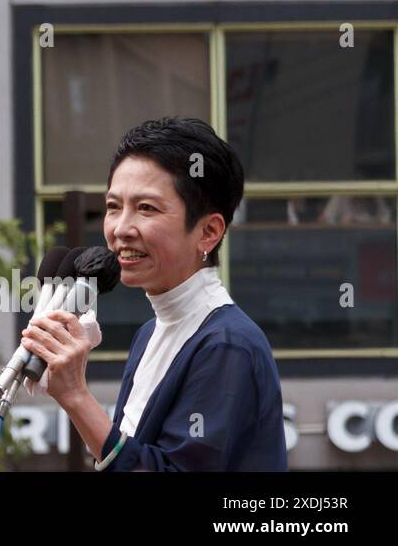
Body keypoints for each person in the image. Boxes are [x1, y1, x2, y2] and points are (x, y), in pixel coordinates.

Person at [21, 117, 288, 471]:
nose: (120, 228)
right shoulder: (150, 333)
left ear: (208, 231)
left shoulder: (226, 345)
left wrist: (75, 396)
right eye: (113, 206)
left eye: (146, 208)